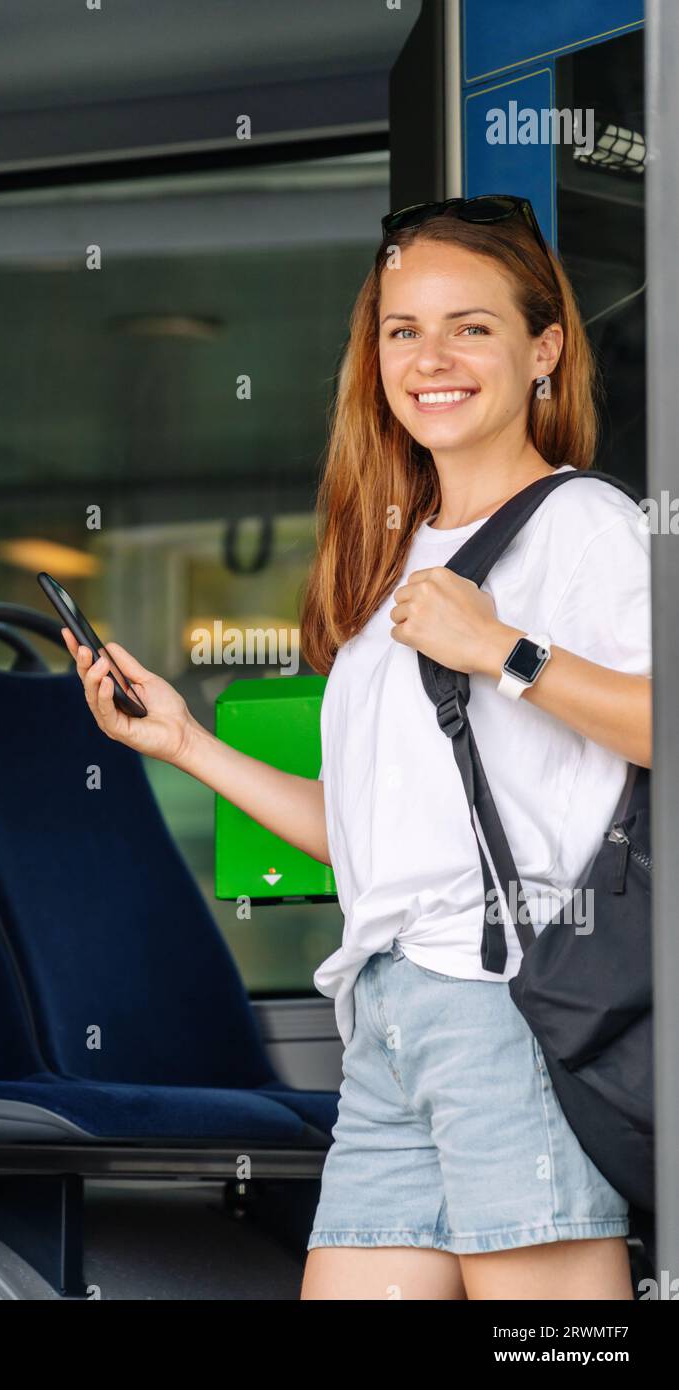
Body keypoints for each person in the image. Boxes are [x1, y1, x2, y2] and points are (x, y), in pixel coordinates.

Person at [62, 197, 652, 1300]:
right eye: (401, 329)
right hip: (383, 1012)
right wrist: (185, 742)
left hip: (506, 1008)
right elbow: (368, 838)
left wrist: (505, 650)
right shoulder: (393, 563)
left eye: (470, 326)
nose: (430, 357)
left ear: (545, 348)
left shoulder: (585, 524)